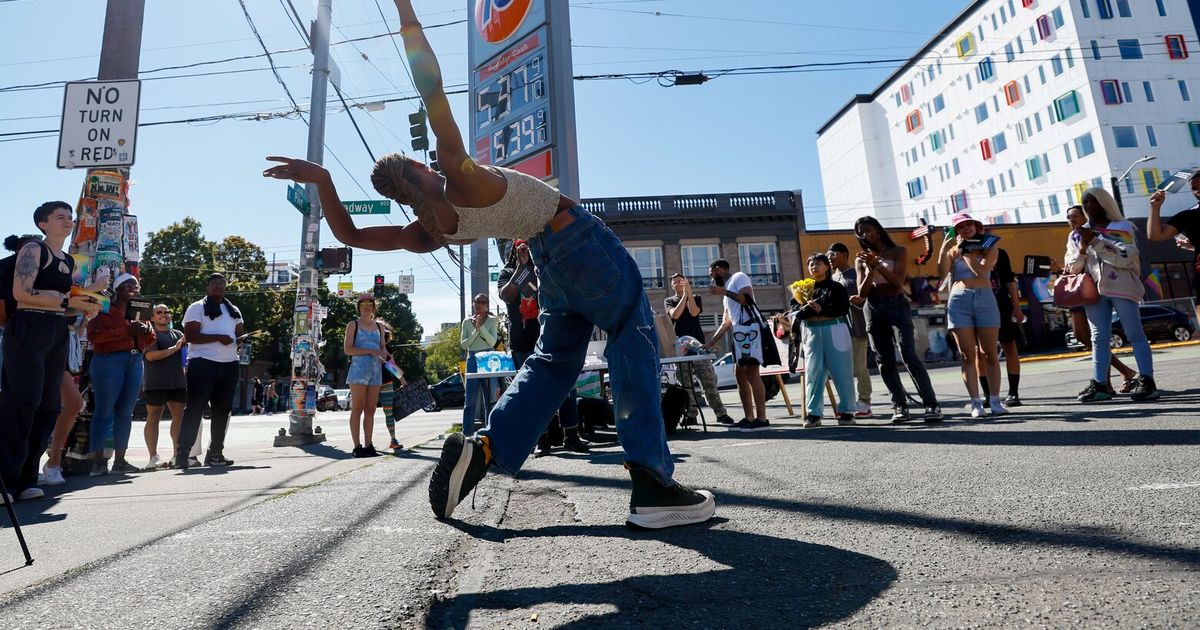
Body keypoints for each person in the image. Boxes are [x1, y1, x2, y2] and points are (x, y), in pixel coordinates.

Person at [261, 0, 714, 529]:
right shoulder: (461, 174)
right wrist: (408, 14)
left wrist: (324, 180)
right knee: (630, 336)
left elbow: (351, 234)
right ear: (416, 167)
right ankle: (653, 485)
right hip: (577, 242)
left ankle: (485, 450)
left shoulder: (428, 230)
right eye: (418, 159)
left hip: (548, 266)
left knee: (552, 362)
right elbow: (433, 94)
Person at [0, 202, 102, 501]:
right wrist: (66, 302)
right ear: (42, 224)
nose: (68, 222)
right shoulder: (33, 251)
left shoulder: (69, 261)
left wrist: (87, 304)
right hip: (28, 330)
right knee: (22, 404)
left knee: (47, 408)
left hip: (57, 332)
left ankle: (28, 478)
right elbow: (22, 293)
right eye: (60, 217)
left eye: (70, 217)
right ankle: (5, 481)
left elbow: (65, 301)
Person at [498, 240, 589, 455]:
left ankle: (572, 436)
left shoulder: (543, 270)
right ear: (512, 252)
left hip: (551, 336)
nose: (524, 251)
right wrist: (521, 269)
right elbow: (507, 295)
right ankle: (542, 440)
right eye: (519, 248)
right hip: (523, 340)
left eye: (527, 247)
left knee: (566, 386)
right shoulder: (508, 272)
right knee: (531, 391)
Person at [1067, 189, 1159, 403]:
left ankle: (1147, 380)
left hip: (1122, 286)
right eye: (1085, 201)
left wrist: (1097, 242)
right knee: (1098, 337)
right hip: (1093, 290)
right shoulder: (1077, 234)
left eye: (1093, 201)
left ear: (1104, 202)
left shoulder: (1122, 227)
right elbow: (1072, 267)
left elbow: (1124, 258)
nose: (1088, 205)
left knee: (1134, 332)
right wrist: (1082, 249)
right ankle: (1100, 384)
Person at [853, 216, 942, 423]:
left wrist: (879, 266)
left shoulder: (898, 251)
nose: (865, 234)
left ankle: (931, 404)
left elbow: (897, 283)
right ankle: (900, 405)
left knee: (908, 354)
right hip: (873, 308)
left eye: (868, 230)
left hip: (896, 304)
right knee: (884, 361)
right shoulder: (861, 259)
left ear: (877, 229)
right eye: (861, 232)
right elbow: (862, 292)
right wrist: (869, 269)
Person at [86, 273, 156, 475]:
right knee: (104, 411)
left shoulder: (141, 309)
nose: (132, 288)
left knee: (126, 413)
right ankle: (98, 463)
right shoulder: (104, 308)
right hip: (109, 361)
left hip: (135, 361)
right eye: (127, 285)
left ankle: (120, 461)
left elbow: (150, 338)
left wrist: (144, 330)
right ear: (117, 288)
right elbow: (93, 336)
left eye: (135, 285)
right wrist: (124, 332)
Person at [937, 214, 1006, 418]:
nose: (966, 228)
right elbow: (941, 274)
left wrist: (966, 251)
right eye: (960, 226)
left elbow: (981, 270)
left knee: (990, 353)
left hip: (985, 298)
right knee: (967, 354)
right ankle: (976, 403)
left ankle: (994, 400)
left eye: (969, 224)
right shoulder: (952, 250)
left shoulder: (990, 245)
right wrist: (944, 248)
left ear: (977, 227)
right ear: (955, 230)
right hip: (959, 299)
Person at [1063, 206, 1136, 395]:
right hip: (1080, 288)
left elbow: (1113, 253)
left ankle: (1108, 381)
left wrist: (1089, 245)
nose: (1072, 220)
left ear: (1085, 216)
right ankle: (1119, 375)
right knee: (1085, 336)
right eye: (1069, 217)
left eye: (1076, 216)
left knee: (1099, 336)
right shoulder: (1073, 238)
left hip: (1106, 284)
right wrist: (1081, 251)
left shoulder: (1099, 231)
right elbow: (1072, 266)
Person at [175, 273, 243, 469]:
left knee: (222, 410)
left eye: (221, 284)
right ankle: (183, 454)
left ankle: (215, 453)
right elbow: (191, 335)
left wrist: (241, 339)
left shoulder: (233, 309)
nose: (218, 287)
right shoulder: (197, 308)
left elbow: (239, 334)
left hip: (229, 363)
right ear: (207, 287)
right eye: (214, 284)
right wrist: (218, 337)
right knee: (195, 409)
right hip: (202, 362)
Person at [705, 259, 769, 431]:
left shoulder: (739, 277)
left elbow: (747, 299)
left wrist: (724, 292)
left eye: (711, 274)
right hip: (739, 331)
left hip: (749, 327)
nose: (711, 278)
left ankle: (761, 419)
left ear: (718, 270)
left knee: (751, 372)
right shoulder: (726, 291)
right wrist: (709, 343)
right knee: (739, 374)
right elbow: (726, 322)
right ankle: (749, 417)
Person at [794, 254, 857, 427]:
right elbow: (796, 311)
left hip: (834, 327)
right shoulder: (802, 289)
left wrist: (822, 308)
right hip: (811, 330)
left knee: (842, 371)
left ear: (827, 267)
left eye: (818, 263)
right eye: (811, 264)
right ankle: (813, 413)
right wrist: (805, 309)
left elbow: (843, 308)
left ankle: (847, 411)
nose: (814, 267)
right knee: (813, 373)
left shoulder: (836, 287)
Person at [664, 273, 734, 426]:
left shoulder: (695, 298)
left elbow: (694, 312)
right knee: (686, 385)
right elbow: (675, 315)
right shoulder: (669, 301)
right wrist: (684, 295)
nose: (678, 284)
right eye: (675, 282)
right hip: (680, 349)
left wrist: (689, 293)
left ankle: (720, 413)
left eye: (681, 281)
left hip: (698, 347)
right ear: (672, 285)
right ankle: (691, 414)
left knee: (709, 381)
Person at [826, 242, 873, 418]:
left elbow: (868, 294)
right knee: (842, 369)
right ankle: (848, 402)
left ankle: (865, 402)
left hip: (857, 326)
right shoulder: (833, 277)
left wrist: (861, 298)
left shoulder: (855, 272)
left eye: (833, 254)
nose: (830, 258)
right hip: (838, 328)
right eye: (828, 255)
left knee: (859, 366)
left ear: (845, 254)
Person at [1146, 175, 1200, 327]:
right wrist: (1155, 207)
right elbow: (1156, 235)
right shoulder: (1189, 216)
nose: (1198, 192)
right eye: (1194, 188)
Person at [142, 303, 190, 470]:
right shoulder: (150, 333)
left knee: (179, 417)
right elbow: (150, 356)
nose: (164, 314)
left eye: (167, 312)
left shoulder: (178, 333)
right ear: (153, 317)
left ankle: (178, 454)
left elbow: (186, 357)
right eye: (159, 312)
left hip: (177, 382)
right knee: (153, 417)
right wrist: (174, 348)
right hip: (156, 382)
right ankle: (152, 457)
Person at [40, 316, 87, 485]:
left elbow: (76, 331)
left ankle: (53, 462)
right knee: (34, 407)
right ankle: (26, 467)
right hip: (37, 343)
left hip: (63, 351)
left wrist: (87, 316)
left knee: (74, 403)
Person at [980, 239, 1025, 407]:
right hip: (978, 306)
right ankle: (987, 394)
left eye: (975, 227)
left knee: (1009, 345)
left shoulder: (999, 252)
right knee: (981, 351)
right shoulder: (963, 253)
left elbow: (1009, 281)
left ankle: (1013, 392)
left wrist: (1016, 307)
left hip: (1002, 306)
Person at [345, 294, 387, 457]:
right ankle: (357, 446)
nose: (367, 306)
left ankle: (369, 445)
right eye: (363, 304)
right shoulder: (353, 325)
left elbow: (382, 349)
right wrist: (370, 350)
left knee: (371, 409)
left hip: (375, 372)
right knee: (357, 408)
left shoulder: (380, 327)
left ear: (374, 307)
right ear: (359, 307)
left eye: (370, 303)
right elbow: (348, 349)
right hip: (358, 371)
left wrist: (387, 360)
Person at [459, 294, 498, 436]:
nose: (479, 304)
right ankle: (467, 434)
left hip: (488, 357)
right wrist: (476, 330)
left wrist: (481, 327)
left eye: (483, 302)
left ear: (487, 305)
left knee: (489, 399)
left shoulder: (492, 320)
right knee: (470, 400)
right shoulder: (466, 322)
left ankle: (489, 433)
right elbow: (464, 344)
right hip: (473, 358)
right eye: (476, 302)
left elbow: (492, 342)